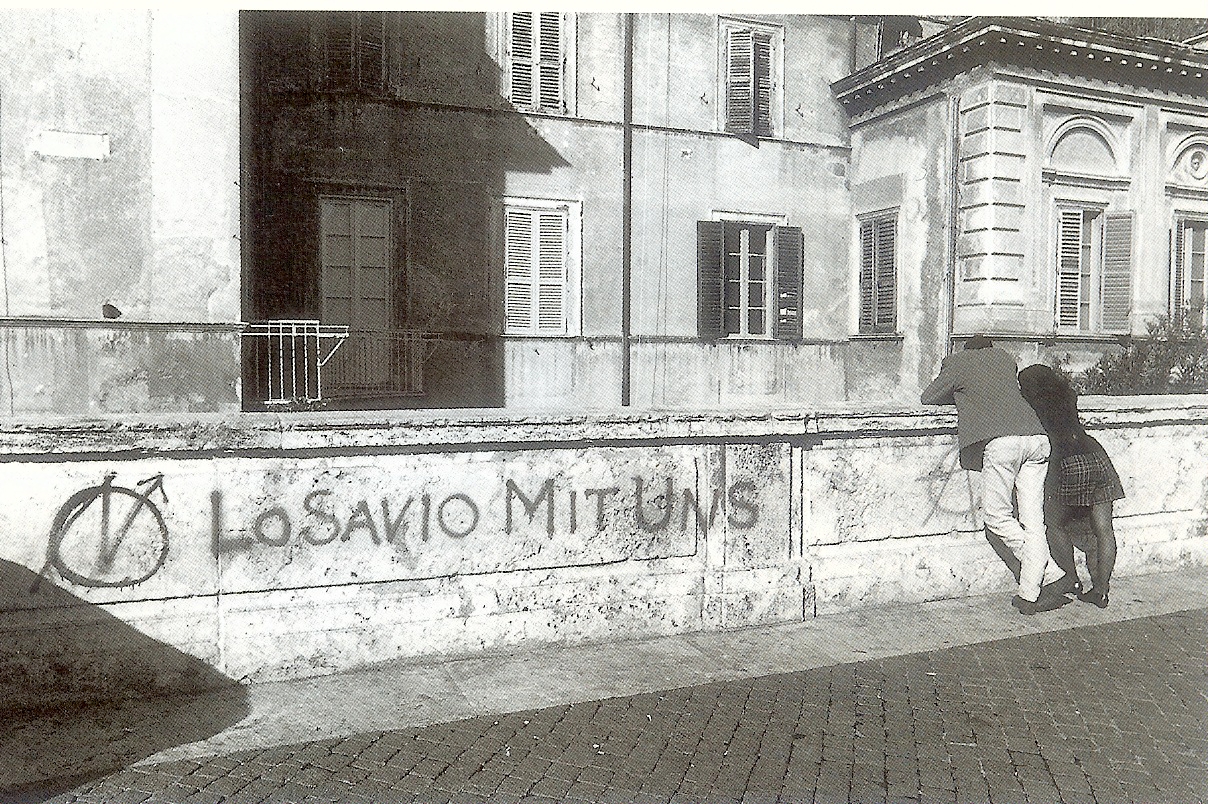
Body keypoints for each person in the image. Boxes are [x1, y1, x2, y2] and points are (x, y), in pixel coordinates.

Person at [921, 336, 1069, 614]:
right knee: (1033, 521)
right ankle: (1031, 593)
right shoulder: (1005, 359)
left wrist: (959, 394)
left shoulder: (957, 362)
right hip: (1037, 438)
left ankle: (1051, 572)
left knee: (996, 517)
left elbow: (928, 397)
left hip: (1003, 444)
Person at [1017, 364, 1124, 608]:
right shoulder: (1068, 395)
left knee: (1054, 524)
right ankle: (1101, 590)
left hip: (1067, 461)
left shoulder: (1033, 405)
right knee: (1104, 530)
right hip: (1095, 454)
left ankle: (1071, 578)